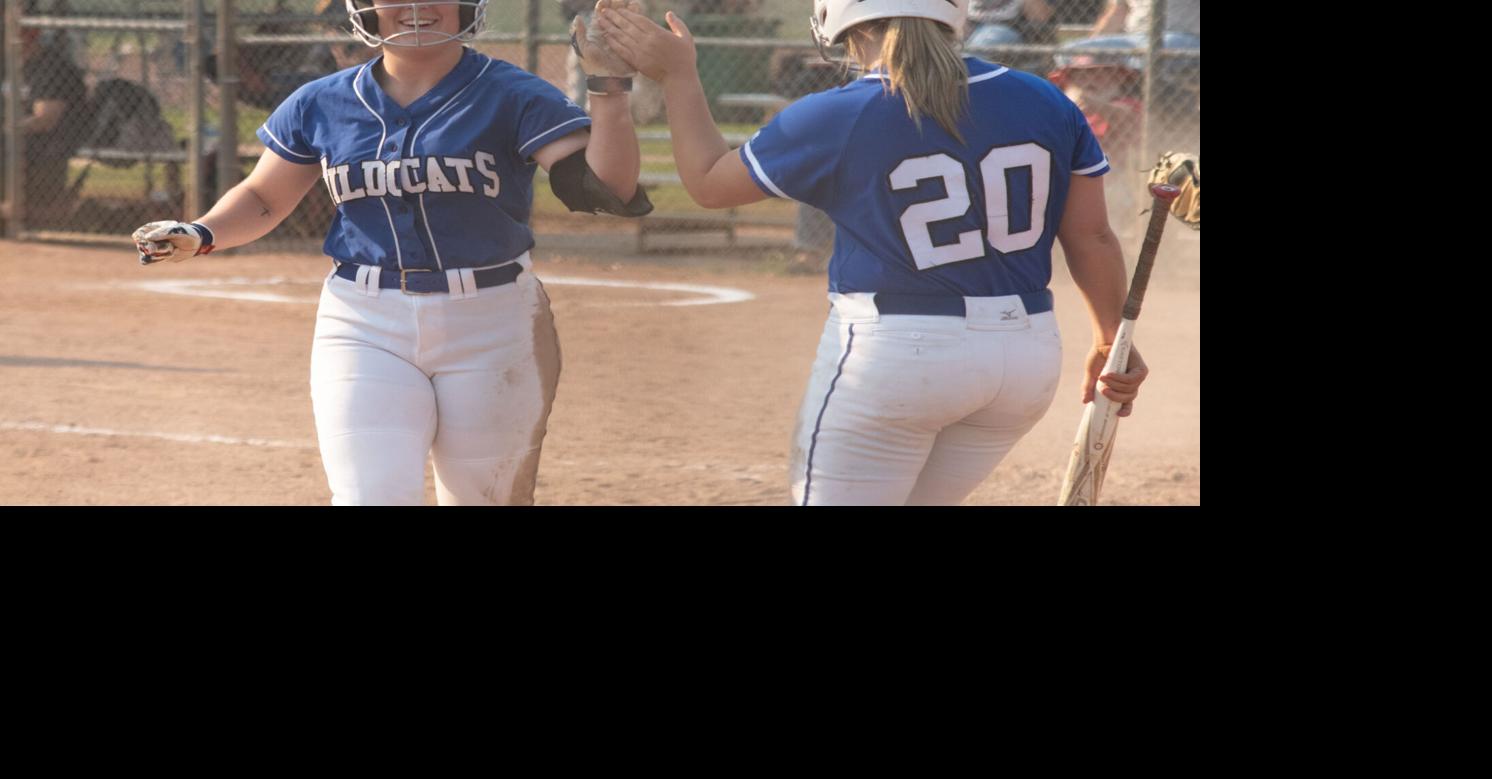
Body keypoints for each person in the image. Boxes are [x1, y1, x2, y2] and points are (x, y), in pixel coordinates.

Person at [598, 0, 1147, 506]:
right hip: (1025, 358)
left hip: (896, 357)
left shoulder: (838, 112)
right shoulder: (1043, 98)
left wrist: (679, 75)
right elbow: (1092, 237)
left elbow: (709, 183)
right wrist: (1110, 338)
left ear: (839, 19)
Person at [131, 0, 651, 505]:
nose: (416, 5)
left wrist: (608, 88)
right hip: (363, 320)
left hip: (494, 322)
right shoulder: (322, 101)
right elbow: (264, 197)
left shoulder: (514, 94)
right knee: (369, 496)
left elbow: (604, 188)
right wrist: (202, 231)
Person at [1, 14, 89, 230]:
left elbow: (44, 120)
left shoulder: (52, 67)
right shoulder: (6, 64)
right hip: (16, 136)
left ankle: (19, 214)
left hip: (51, 138)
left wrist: (6, 129)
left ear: (32, 34)